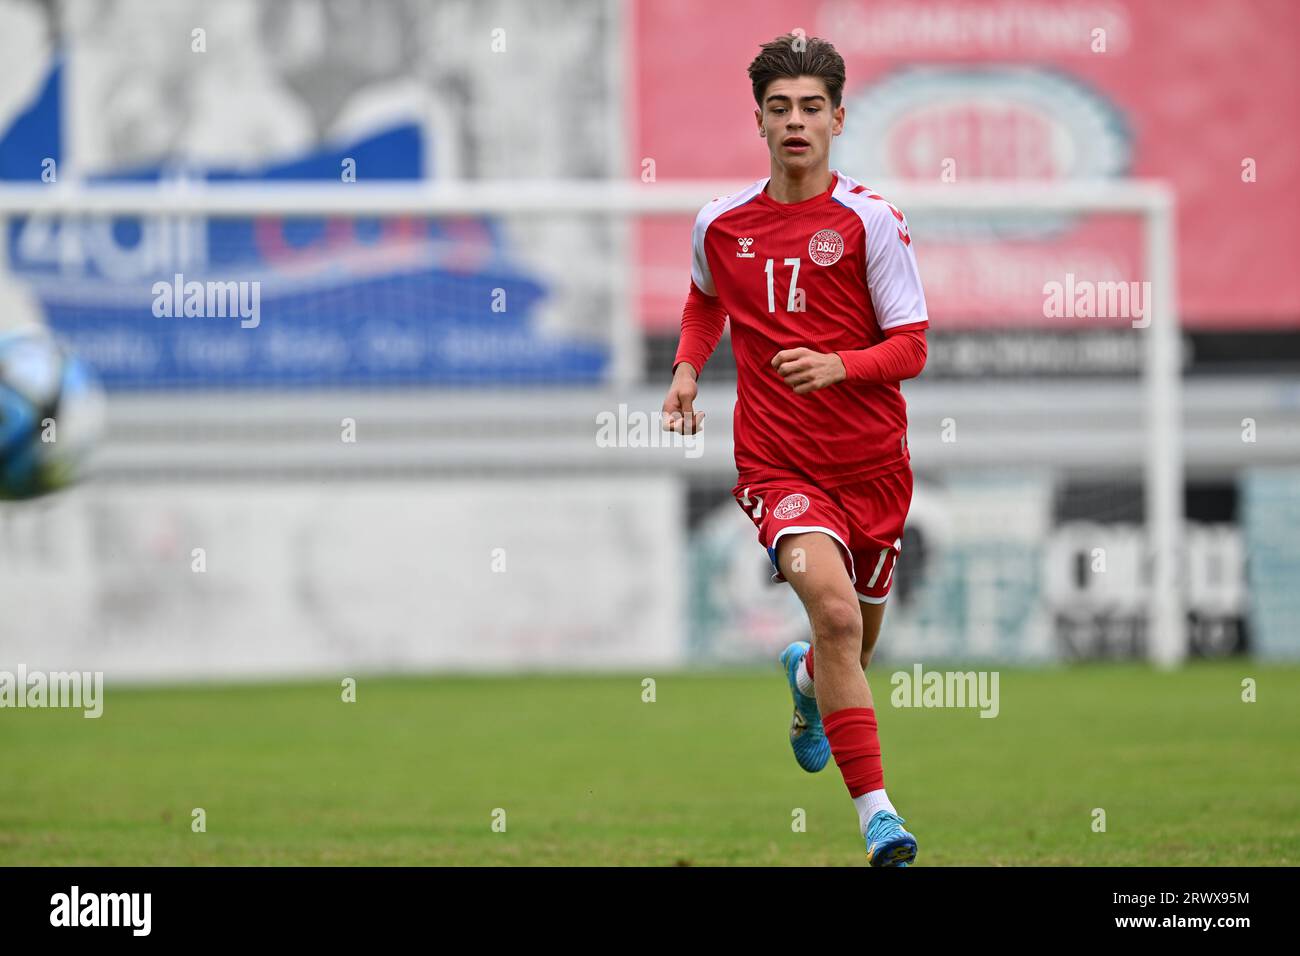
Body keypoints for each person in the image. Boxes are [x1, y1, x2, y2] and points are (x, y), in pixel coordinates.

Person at [662, 33, 930, 867]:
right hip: (779, 466)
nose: (796, 122)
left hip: (875, 468)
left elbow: (913, 345)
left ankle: (809, 682)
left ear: (839, 118)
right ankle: (878, 816)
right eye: (779, 109)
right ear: (759, 121)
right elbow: (706, 300)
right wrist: (683, 372)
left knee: (850, 641)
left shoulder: (870, 220)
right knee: (839, 614)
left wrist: (841, 363)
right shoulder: (722, 222)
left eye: (812, 107)